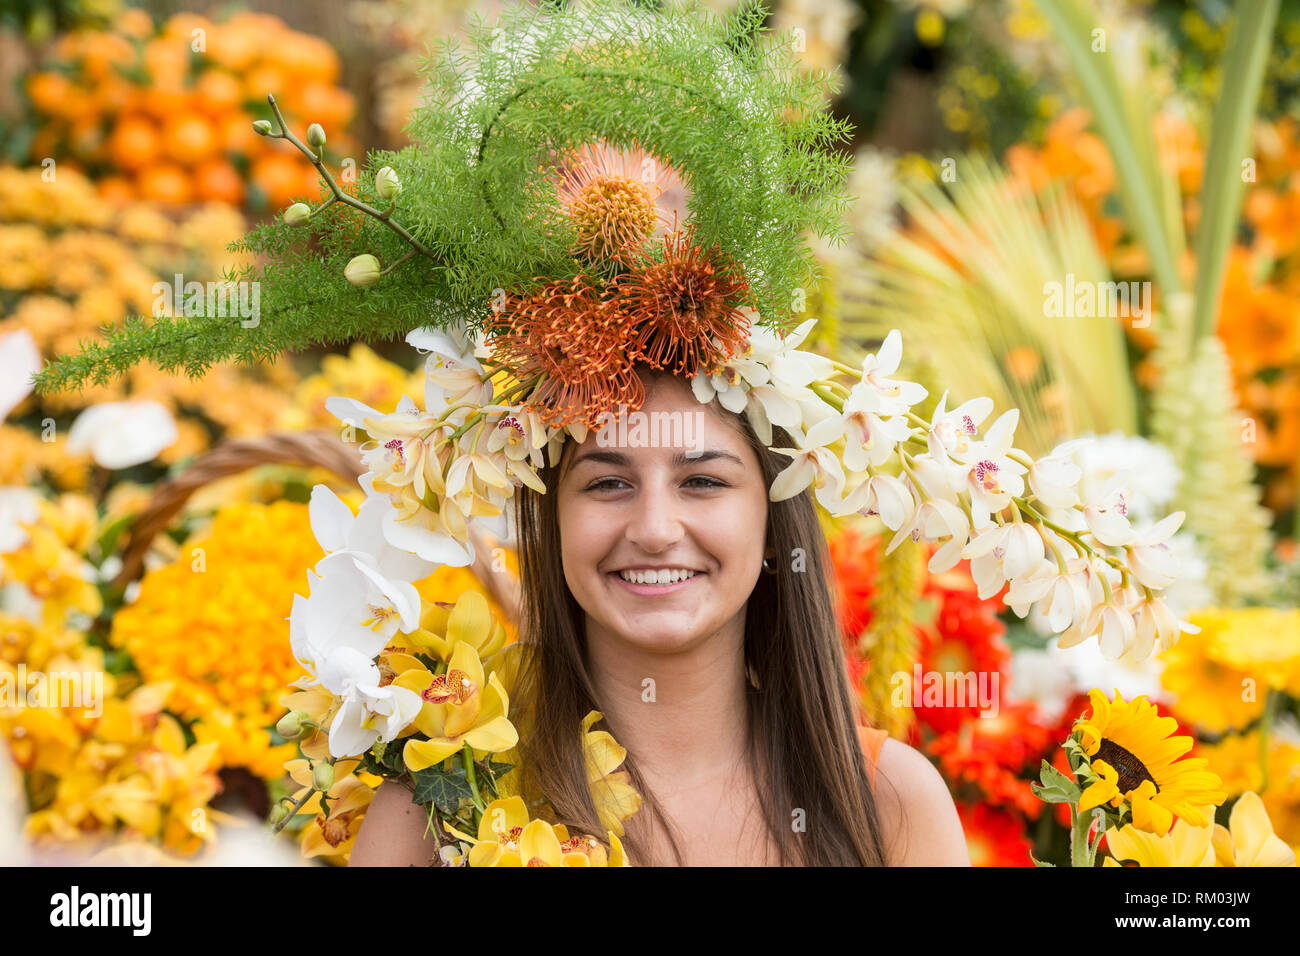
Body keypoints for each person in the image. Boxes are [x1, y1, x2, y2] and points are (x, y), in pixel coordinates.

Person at [350, 364, 970, 866]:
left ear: (776, 525)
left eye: (702, 481)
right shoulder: (436, 806)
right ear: (551, 522)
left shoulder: (891, 801)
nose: (653, 530)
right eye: (607, 484)